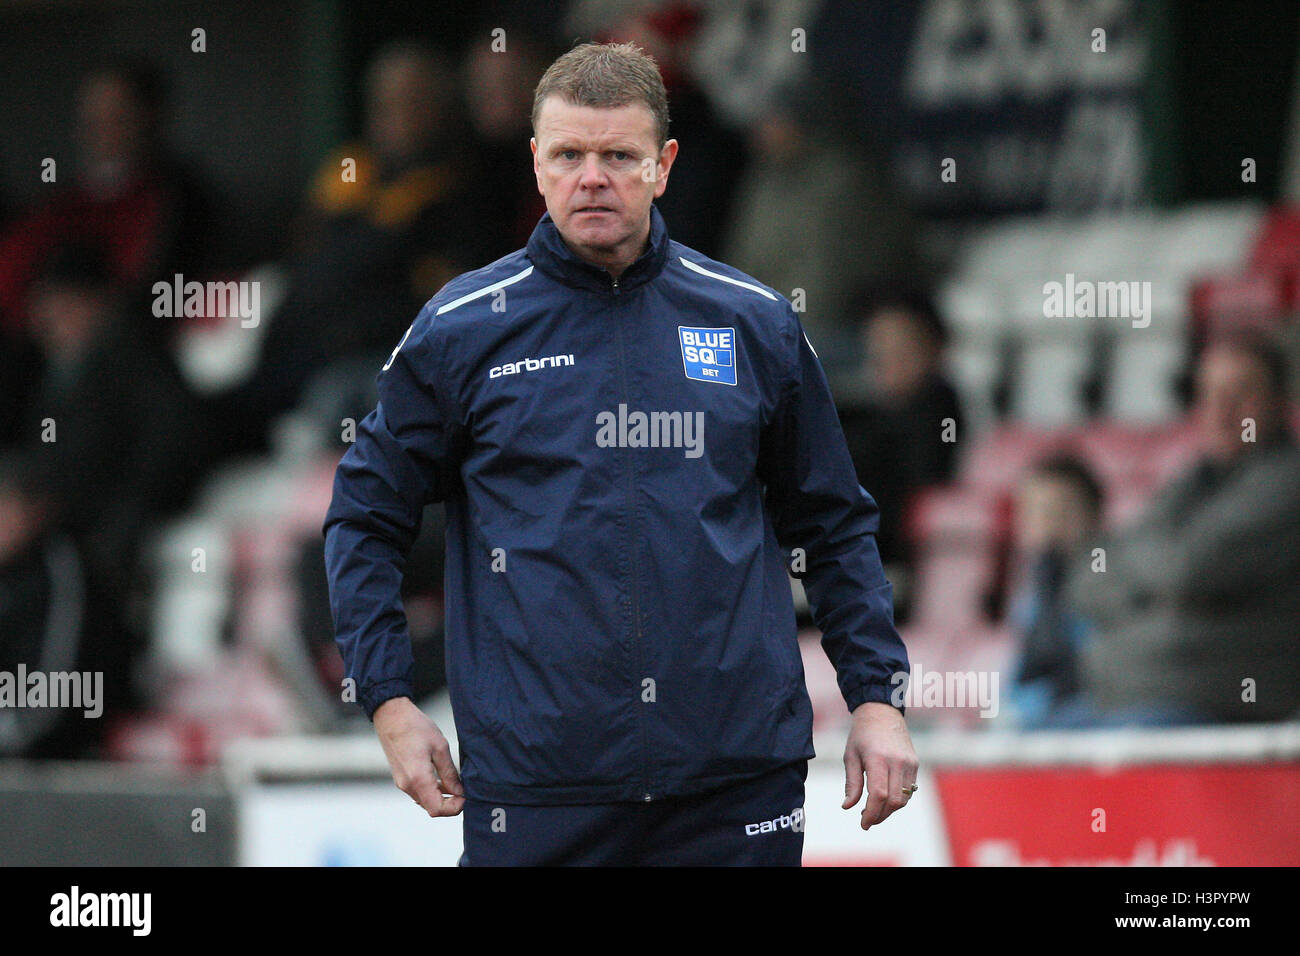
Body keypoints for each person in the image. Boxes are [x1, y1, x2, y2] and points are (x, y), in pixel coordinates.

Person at [323, 42, 917, 866]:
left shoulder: (754, 322)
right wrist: (388, 699)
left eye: (618, 156)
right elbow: (362, 517)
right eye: (569, 154)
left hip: (735, 785)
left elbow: (834, 524)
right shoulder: (462, 330)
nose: (591, 177)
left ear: (664, 165)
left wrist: (877, 700)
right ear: (536, 163)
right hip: (536, 791)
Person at [1067, 333, 1300, 725]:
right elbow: (1090, 577)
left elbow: (1187, 569)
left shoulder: (1287, 482)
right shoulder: (1194, 479)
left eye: (1241, 394)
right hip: (1127, 700)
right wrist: (1162, 588)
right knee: (1006, 746)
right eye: (1208, 395)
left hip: (1222, 710)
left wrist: (1144, 574)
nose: (1220, 411)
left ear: (1281, 403)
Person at [1003, 455, 1105, 728]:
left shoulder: (1113, 587)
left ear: (1095, 516)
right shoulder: (1031, 592)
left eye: (1063, 512)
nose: (1049, 525)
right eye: (1035, 512)